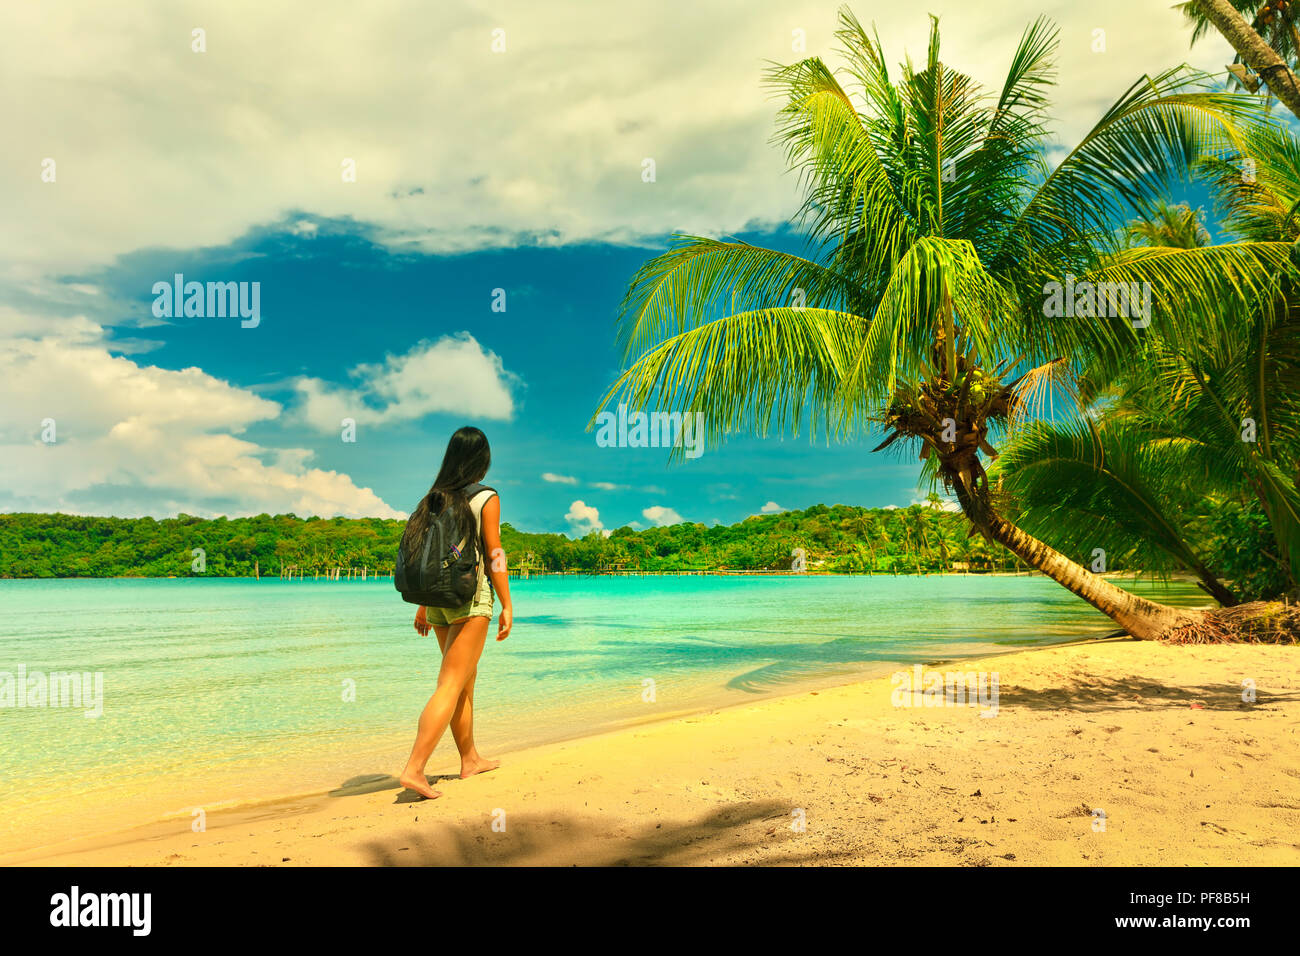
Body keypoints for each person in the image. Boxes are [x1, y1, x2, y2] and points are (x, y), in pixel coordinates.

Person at [398, 426, 513, 800]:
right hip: (469, 599)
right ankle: (415, 769)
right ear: (482, 459)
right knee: (450, 683)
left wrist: (423, 605)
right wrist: (507, 602)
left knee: (463, 681)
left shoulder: (433, 499)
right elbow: (493, 552)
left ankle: (470, 759)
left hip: (437, 602)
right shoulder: (486, 497)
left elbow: (428, 556)